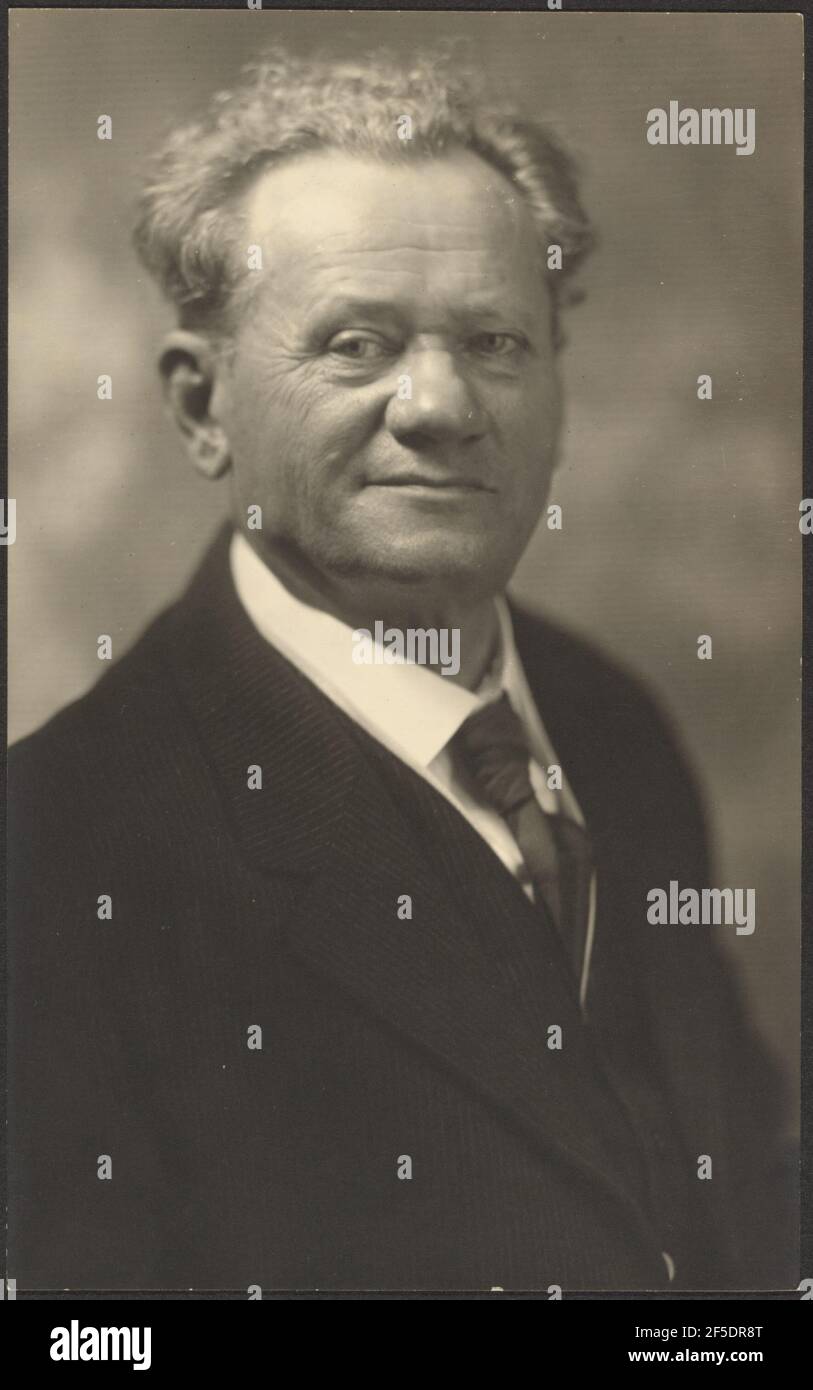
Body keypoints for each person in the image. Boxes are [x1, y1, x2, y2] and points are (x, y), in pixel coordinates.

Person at [8, 49, 795, 1293]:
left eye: (492, 339)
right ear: (201, 407)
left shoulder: (611, 720)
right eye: (357, 342)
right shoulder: (54, 851)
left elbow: (743, 1198)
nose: (439, 405)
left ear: (555, 381)